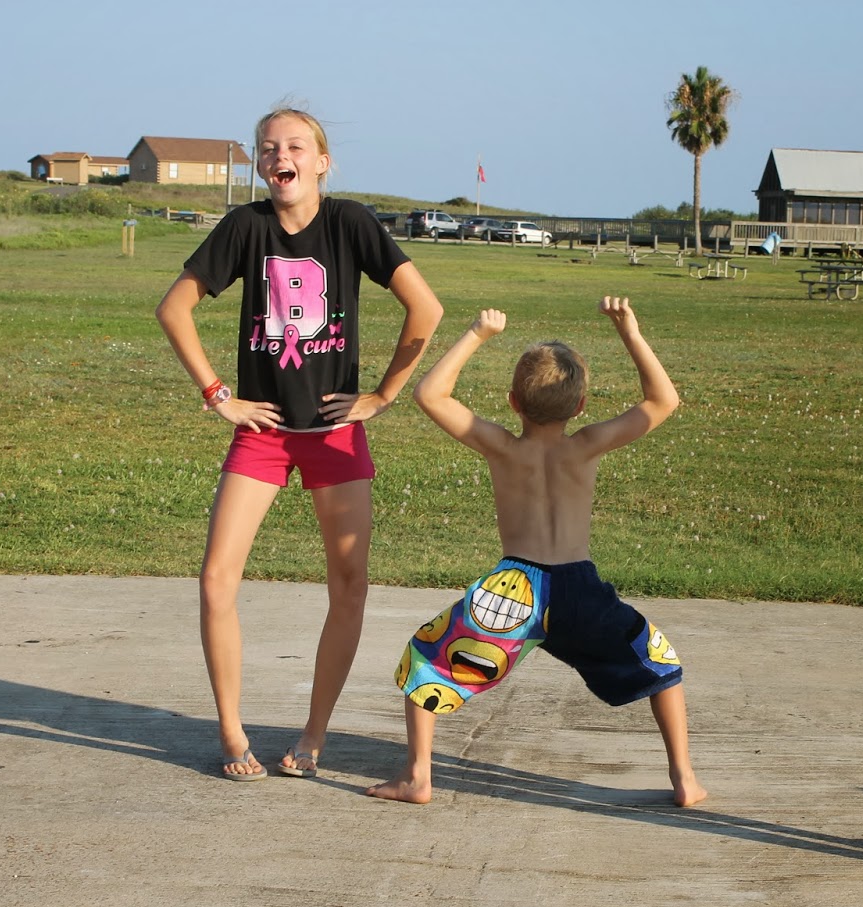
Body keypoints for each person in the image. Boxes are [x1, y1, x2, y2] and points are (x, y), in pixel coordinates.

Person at [156, 106, 443, 782]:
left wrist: (383, 394)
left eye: (294, 145)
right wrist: (218, 396)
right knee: (216, 580)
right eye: (266, 147)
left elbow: (425, 310)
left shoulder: (350, 224)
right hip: (264, 436)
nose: (278, 155)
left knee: (349, 585)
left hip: (335, 437)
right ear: (260, 164)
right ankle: (232, 735)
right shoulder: (245, 228)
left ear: (321, 161)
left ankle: (312, 738)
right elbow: (174, 308)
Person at [365, 298, 707, 808]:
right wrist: (629, 331)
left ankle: (418, 777)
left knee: (426, 662)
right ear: (580, 407)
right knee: (660, 663)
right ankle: (685, 779)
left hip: (511, 593)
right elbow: (663, 402)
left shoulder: (503, 446)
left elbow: (430, 394)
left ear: (513, 402)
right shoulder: (586, 445)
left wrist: (478, 334)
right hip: (579, 590)